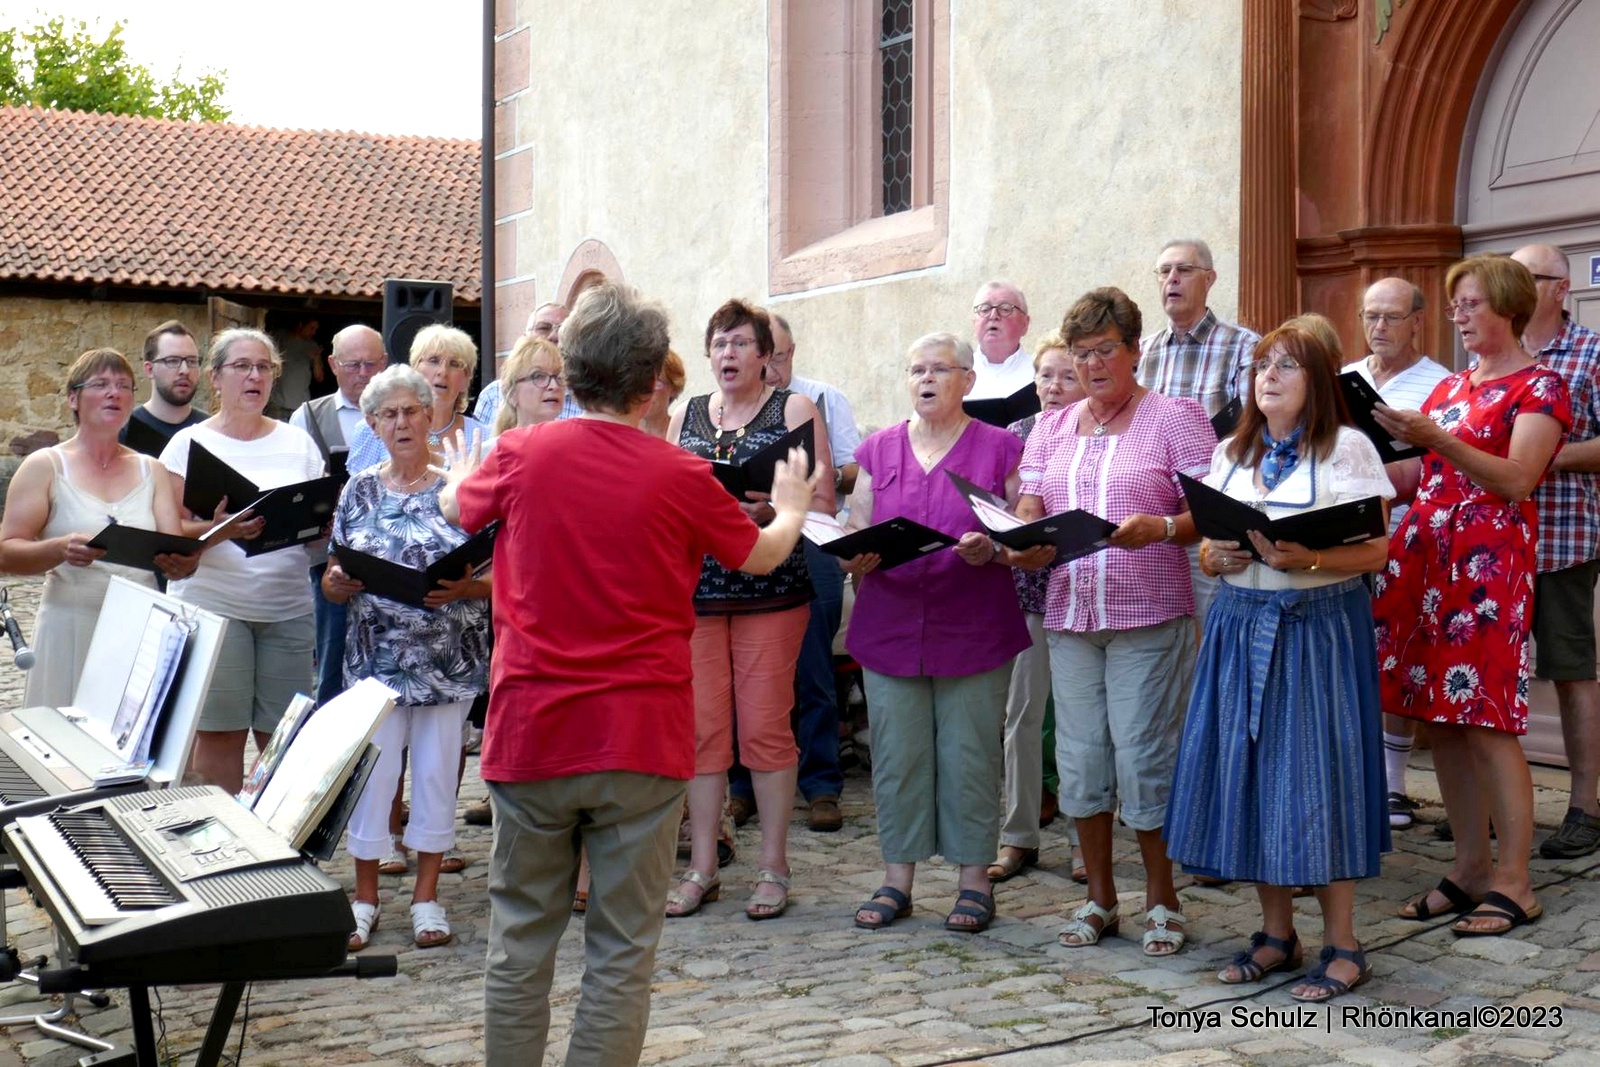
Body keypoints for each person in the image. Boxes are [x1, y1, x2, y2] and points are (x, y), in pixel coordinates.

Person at [440, 281, 819, 1067]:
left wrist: (458, 474)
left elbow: (455, 511)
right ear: (654, 382)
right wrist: (789, 505)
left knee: (519, 939)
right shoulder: (681, 472)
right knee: (621, 951)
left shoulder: (519, 452)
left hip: (534, 731)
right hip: (641, 740)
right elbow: (761, 554)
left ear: (571, 377)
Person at [1165, 324, 1394, 1002]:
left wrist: (1310, 558)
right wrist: (1214, 556)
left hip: (1317, 628)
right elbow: (1210, 542)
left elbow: (1376, 552)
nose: (1269, 376)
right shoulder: (1234, 449)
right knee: (1253, 769)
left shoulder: (1346, 448)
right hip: (1240, 624)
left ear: (1318, 380)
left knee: (1319, 774)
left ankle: (1346, 943)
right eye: (1263, 364)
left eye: (1287, 366)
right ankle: (1274, 933)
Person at [1372, 254, 1569, 936]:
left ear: (1510, 306)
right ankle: (1469, 868)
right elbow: (1415, 475)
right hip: (1428, 562)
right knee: (1443, 719)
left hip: (1488, 568)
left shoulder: (1541, 386)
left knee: (1488, 719)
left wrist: (1437, 439)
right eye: (1455, 303)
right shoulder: (1450, 387)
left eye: (1472, 302)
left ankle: (1516, 882)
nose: (1459, 313)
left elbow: (1518, 478)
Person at [1018, 287, 1215, 956]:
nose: (1093, 364)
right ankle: (1099, 896)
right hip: (1070, 613)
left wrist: (1161, 525)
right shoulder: (1051, 425)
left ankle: (1163, 896)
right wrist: (1018, 537)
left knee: (1142, 753)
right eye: (1081, 353)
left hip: (1147, 612)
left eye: (1106, 350)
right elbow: (1028, 505)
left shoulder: (1174, 417)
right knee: (1079, 757)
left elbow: (1215, 513)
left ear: (1135, 349)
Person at [845, 332, 1047, 935]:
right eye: (917, 370)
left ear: (968, 380)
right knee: (898, 756)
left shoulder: (1000, 448)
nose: (926, 379)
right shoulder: (878, 450)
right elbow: (855, 526)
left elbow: (1028, 538)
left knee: (970, 755)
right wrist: (854, 555)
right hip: (889, 625)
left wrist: (998, 550)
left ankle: (973, 882)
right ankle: (897, 880)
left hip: (974, 626)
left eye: (940, 369)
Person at [663, 299, 835, 920]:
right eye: (719, 344)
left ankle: (774, 866)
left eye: (740, 344)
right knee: (704, 732)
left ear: (766, 356)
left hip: (772, 586)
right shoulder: (684, 414)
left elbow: (822, 499)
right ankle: (703, 866)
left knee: (764, 727)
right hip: (700, 592)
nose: (728, 354)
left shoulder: (793, 409)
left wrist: (773, 509)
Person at [321, 365, 491, 951]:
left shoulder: (461, 486)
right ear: (372, 423)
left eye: (411, 411)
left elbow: (504, 574)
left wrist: (468, 589)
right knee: (374, 777)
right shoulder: (359, 487)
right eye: (387, 414)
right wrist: (337, 585)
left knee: (440, 774)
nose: (401, 422)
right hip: (375, 660)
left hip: (450, 658)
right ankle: (364, 898)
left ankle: (426, 897)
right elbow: (332, 572)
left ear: (429, 417)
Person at [160, 328, 325, 795]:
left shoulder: (299, 444)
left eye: (264, 368)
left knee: (285, 736)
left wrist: (321, 529)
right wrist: (222, 529)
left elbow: (312, 528)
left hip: (287, 608)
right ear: (215, 378)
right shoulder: (187, 445)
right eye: (243, 367)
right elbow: (171, 529)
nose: (255, 376)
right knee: (220, 732)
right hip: (215, 605)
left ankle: (278, 848)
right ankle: (225, 849)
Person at [0, 349, 196, 708]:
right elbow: (6, 553)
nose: (114, 393)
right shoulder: (45, 467)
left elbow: (175, 551)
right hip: (70, 625)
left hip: (140, 626)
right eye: (101, 384)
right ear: (73, 398)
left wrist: (185, 560)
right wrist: (59, 548)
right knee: (61, 748)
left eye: (124, 386)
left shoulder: (150, 470)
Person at [728, 313, 861, 833]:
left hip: (812, 544)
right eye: (767, 356)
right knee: (744, 674)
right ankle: (743, 786)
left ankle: (821, 783)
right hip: (746, 546)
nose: (773, 365)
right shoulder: (724, 407)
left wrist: (796, 491)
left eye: (779, 355)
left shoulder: (819, 398)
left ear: (788, 352)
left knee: (814, 671)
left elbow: (847, 471)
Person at [1341, 278, 1453, 828]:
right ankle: (1352, 774)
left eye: (1390, 317)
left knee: (1400, 651)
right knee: (1353, 648)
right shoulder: (1346, 380)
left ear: (1417, 321)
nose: (1378, 327)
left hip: (1411, 534)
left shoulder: (1442, 383)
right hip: (1342, 533)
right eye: (1370, 316)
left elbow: (1444, 464)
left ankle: (1392, 784)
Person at [1510, 244, 1600, 860]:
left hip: (1565, 538)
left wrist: (1542, 456)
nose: (1510, 286)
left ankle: (1586, 807)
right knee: (1496, 676)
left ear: (1560, 288)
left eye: (1526, 277)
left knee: (1571, 674)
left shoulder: (1592, 353)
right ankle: (1500, 802)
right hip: (1494, 542)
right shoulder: (1495, 351)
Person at [989, 331, 1085, 884]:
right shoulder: (1017, 435)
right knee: (1021, 717)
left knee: (1076, 723)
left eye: (1064, 376)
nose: (1052, 386)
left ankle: (1081, 837)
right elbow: (1002, 504)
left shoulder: (1096, 435)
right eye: (1045, 376)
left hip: (1082, 588)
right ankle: (1018, 834)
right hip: (1028, 590)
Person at [1137, 239, 1261, 622]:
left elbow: (1250, 430)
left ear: (1210, 279)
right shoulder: (1142, 352)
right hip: (1153, 515)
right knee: (1159, 636)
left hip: (1209, 512)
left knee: (1208, 630)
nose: (1172, 279)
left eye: (1184, 270)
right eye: (1164, 271)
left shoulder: (1243, 345)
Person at [291, 324, 385, 706]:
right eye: (353, 364)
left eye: (371, 364)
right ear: (332, 364)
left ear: (385, 362)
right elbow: (297, 488)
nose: (363, 373)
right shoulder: (309, 416)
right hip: (329, 558)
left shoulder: (400, 409)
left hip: (388, 556)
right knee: (330, 660)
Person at [346, 325, 487, 474]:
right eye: (433, 360)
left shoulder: (483, 437)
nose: (442, 372)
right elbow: (359, 492)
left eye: (454, 364)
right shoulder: (373, 428)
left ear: (466, 380)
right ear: (414, 369)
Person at [474, 303, 576, 427]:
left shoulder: (589, 400)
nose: (554, 336)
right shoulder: (492, 395)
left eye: (562, 329)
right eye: (544, 328)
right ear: (525, 336)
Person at [120, 321, 208, 455]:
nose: (185, 370)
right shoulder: (124, 432)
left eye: (192, 361)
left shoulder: (211, 431)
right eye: (172, 361)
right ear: (149, 370)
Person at [967, 280, 1035, 400]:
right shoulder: (957, 375)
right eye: (985, 309)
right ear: (974, 323)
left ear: (1025, 324)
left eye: (1005, 309)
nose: (993, 315)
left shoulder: (1041, 375)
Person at [490, 335, 567, 436]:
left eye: (558, 376)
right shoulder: (492, 450)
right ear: (511, 393)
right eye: (538, 376)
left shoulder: (576, 446)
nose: (554, 385)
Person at [268, 316, 325, 419]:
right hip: (277, 404)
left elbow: (319, 377)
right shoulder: (280, 337)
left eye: (316, 329)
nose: (314, 332)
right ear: (300, 325)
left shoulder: (312, 346)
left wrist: (316, 359)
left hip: (300, 406)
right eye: (311, 328)